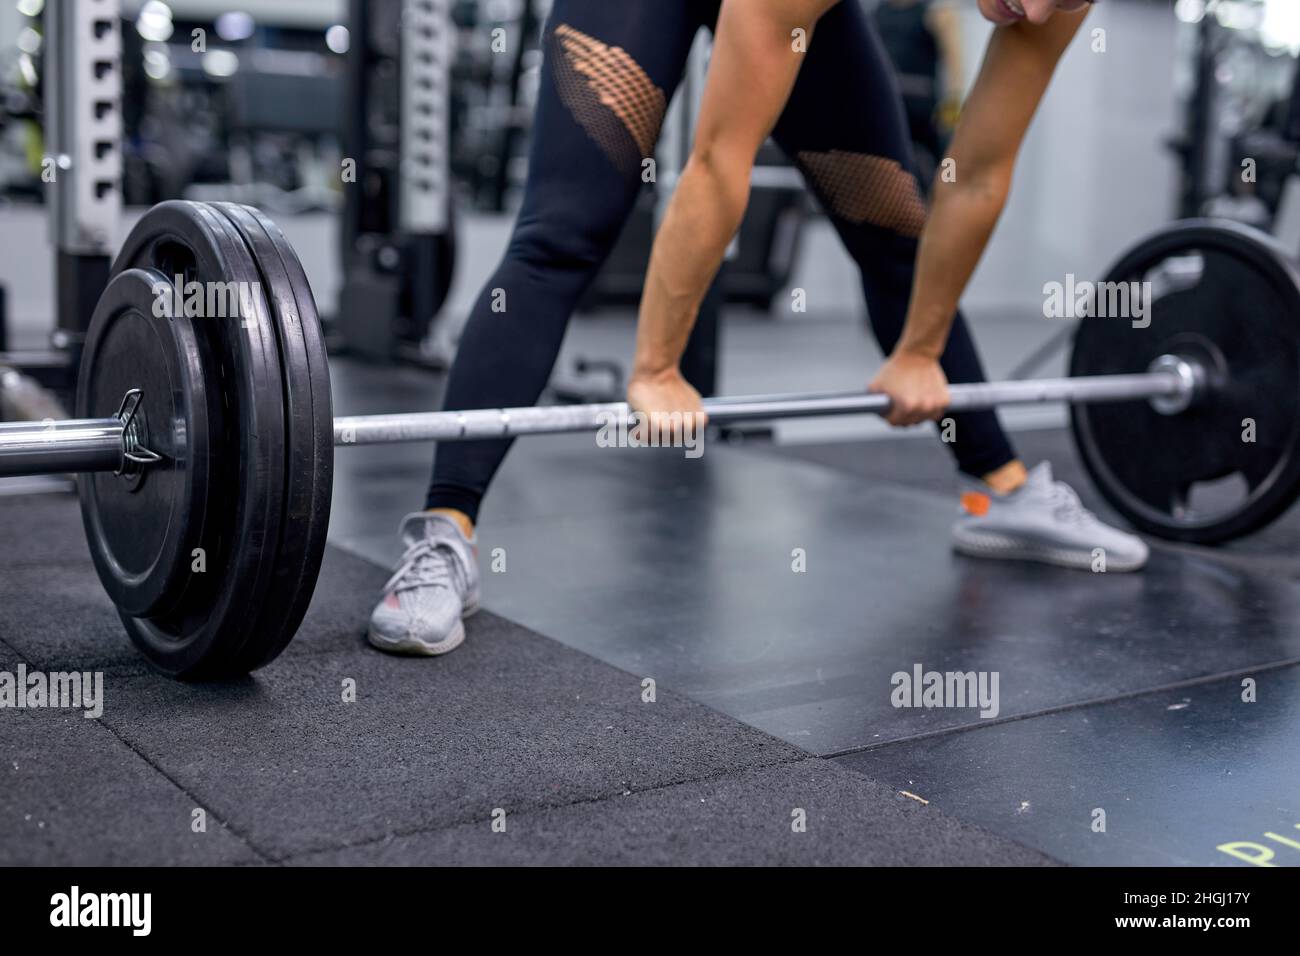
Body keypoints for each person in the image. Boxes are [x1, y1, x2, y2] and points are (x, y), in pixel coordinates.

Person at [368, 0, 1139, 658]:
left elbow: (975, 175)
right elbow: (717, 161)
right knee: (563, 234)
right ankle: (445, 531)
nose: (1030, 13)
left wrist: (921, 352)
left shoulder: (1054, 2)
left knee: (891, 228)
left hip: (804, 17)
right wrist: (657, 368)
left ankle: (1000, 491)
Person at [872, 0, 966, 185]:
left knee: (944, 167)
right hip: (885, 107)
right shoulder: (877, 13)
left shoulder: (937, 13)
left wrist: (952, 110)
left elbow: (954, 64)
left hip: (923, 112)